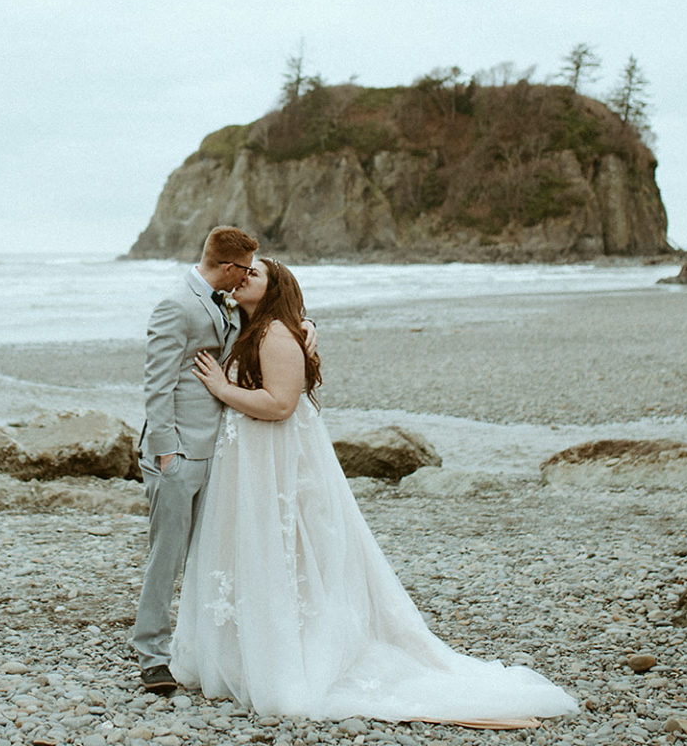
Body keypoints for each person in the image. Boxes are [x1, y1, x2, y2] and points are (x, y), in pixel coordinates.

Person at [172, 258, 580, 726]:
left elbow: (281, 405)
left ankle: (287, 660)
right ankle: (242, 653)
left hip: (274, 459)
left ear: (274, 290)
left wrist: (224, 389)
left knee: (290, 551)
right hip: (254, 462)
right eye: (241, 273)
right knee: (257, 551)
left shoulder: (277, 334)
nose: (242, 278)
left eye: (254, 275)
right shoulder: (248, 325)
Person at [130, 225, 262, 696]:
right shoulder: (176, 305)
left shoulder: (221, 302)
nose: (245, 278)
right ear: (228, 266)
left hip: (215, 449)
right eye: (244, 269)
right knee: (166, 557)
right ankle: (151, 656)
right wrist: (166, 453)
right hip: (179, 453)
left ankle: (200, 649)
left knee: (207, 557)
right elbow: (157, 385)